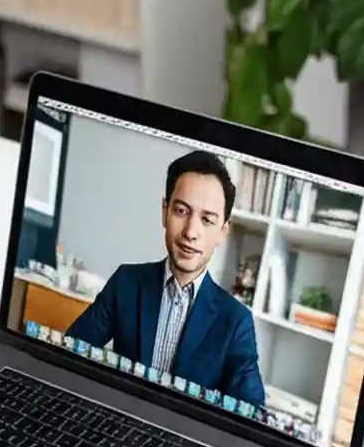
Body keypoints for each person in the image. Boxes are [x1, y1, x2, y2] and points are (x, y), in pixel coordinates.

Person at [66, 151, 266, 404]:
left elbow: (252, 415)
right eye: (181, 211)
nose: (191, 232)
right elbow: (70, 352)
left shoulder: (236, 322)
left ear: (222, 232)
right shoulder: (126, 282)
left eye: (207, 220)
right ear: (165, 212)